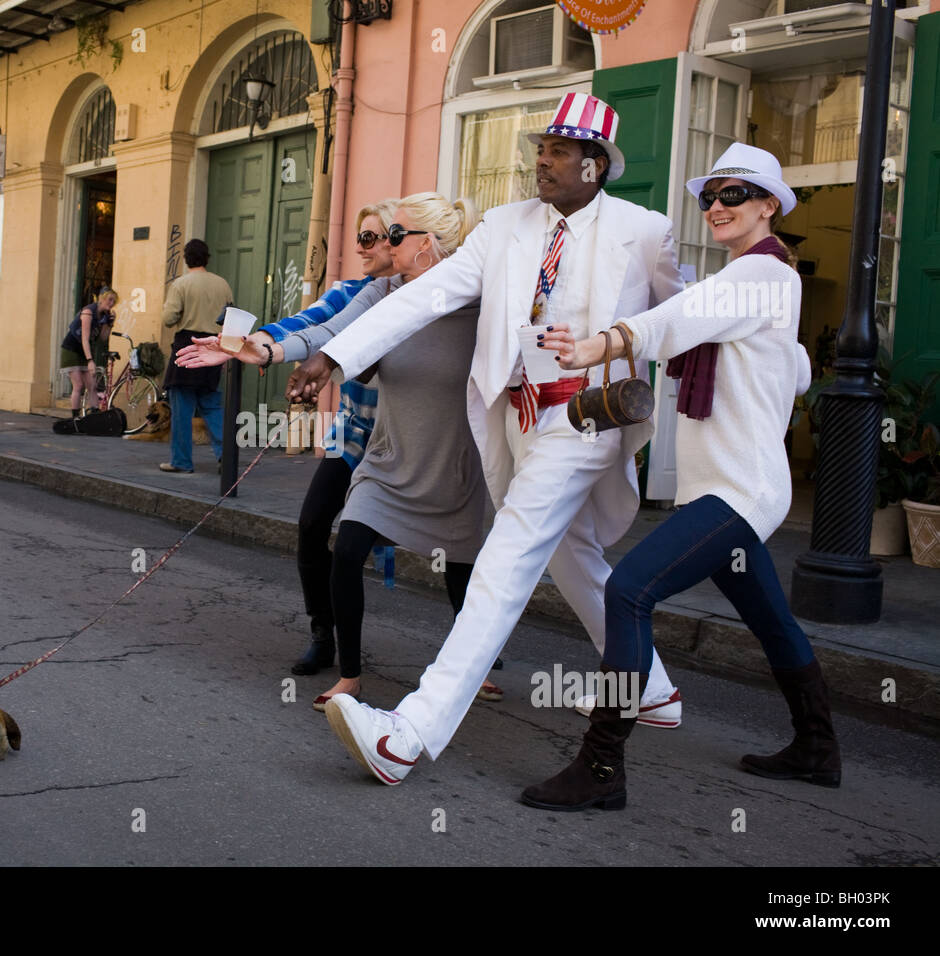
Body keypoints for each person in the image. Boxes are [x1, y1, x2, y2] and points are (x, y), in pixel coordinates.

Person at [291, 93, 685, 785]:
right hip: (516, 418)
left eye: (560, 150)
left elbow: (675, 316)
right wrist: (340, 354)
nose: (543, 159)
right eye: (541, 147)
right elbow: (423, 298)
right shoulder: (501, 228)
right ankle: (651, 685)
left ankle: (410, 732)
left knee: (505, 563)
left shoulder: (646, 231)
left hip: (585, 418)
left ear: (596, 165)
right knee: (571, 555)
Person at [521, 144, 834, 810]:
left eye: (733, 195)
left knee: (630, 591)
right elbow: (793, 366)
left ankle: (602, 767)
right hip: (720, 489)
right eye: (708, 197)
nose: (716, 207)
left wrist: (599, 343)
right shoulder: (748, 287)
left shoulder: (764, 275)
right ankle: (817, 747)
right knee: (770, 618)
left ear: (768, 205)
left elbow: (673, 321)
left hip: (738, 492)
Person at [183, 194, 505, 706]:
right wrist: (259, 348)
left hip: (452, 461)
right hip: (383, 453)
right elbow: (324, 330)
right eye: (379, 235)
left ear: (429, 244)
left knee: (462, 572)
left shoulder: (481, 302)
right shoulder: (380, 292)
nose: (380, 247)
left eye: (394, 235)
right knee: (344, 548)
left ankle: (475, 664)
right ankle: (348, 673)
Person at [177, 200, 401, 677]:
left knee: (456, 542)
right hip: (356, 433)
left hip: (416, 440)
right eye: (359, 237)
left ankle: (475, 653)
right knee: (312, 524)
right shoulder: (352, 293)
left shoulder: (427, 294)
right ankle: (324, 633)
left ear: (398, 239)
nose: (361, 248)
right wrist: (246, 344)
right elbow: (308, 325)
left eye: (371, 237)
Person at [159, 239, 233, 473]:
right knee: (211, 405)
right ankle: (226, 456)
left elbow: (168, 318)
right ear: (207, 258)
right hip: (214, 346)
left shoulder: (181, 284)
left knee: (181, 408)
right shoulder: (223, 285)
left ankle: (181, 461)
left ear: (186, 258)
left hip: (187, 346)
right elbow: (231, 318)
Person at [59, 287, 118, 414]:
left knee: (92, 385)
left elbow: (103, 337)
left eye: (114, 301)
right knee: (79, 385)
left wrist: (109, 324)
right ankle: (75, 417)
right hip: (72, 349)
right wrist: (90, 360)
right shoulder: (88, 312)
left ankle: (94, 415)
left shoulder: (103, 315)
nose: (112, 303)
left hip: (85, 350)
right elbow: (85, 339)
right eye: (110, 299)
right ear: (102, 298)